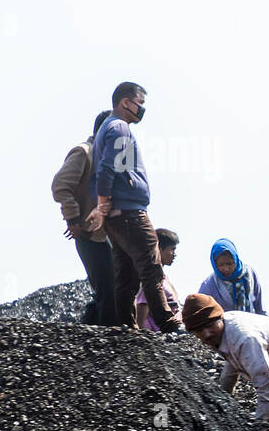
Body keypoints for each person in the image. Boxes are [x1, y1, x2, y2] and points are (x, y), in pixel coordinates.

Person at [82, 82, 182, 333]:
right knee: (151, 265)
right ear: (125, 102)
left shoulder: (109, 127)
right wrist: (103, 205)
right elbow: (107, 168)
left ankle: (126, 326)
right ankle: (168, 323)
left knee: (126, 273)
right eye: (140, 103)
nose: (142, 110)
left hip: (119, 215)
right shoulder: (119, 128)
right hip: (129, 212)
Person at [181, 294, 269, 422]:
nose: (206, 334)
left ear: (220, 318)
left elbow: (266, 384)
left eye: (210, 326)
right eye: (199, 331)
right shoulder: (223, 333)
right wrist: (223, 401)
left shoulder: (244, 337)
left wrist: (260, 425)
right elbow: (231, 366)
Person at [51, 110, 116, 325]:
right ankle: (110, 343)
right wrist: (73, 219)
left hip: (106, 234)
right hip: (88, 234)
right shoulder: (84, 153)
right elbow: (60, 186)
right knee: (107, 288)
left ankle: (90, 330)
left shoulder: (107, 159)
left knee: (112, 287)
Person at [198, 239, 265, 314]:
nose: (226, 269)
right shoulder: (209, 285)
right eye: (221, 265)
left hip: (251, 323)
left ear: (235, 260)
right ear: (215, 265)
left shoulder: (249, 274)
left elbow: (259, 307)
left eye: (229, 264)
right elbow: (200, 312)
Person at [135, 229, 181, 331]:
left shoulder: (163, 278)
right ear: (159, 248)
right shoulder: (151, 278)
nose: (174, 254)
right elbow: (141, 313)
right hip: (158, 336)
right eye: (172, 249)